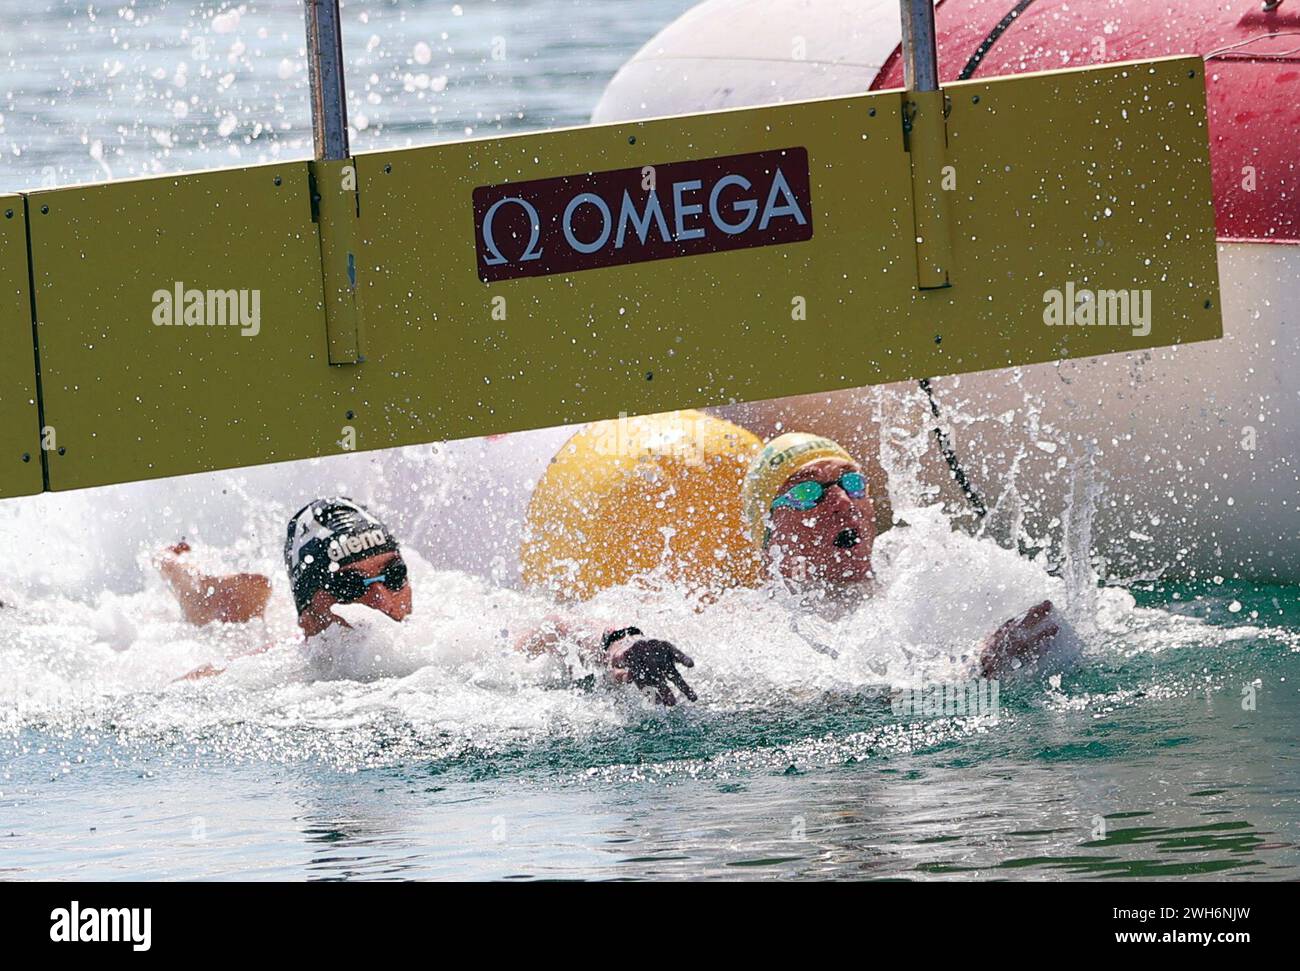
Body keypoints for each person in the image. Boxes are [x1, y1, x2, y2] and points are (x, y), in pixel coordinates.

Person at [160, 497, 696, 701]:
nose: (382, 596)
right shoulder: (281, 669)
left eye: (394, 574)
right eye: (352, 585)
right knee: (219, 613)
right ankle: (183, 573)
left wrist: (619, 640)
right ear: (313, 606)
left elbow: (554, 624)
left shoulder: (443, 641)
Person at [740, 432, 1063, 675]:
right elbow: (826, 717)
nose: (841, 502)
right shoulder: (765, 632)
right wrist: (975, 671)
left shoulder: (925, 577)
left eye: (851, 482)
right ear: (771, 535)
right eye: (807, 492)